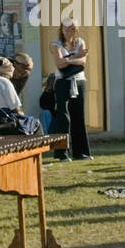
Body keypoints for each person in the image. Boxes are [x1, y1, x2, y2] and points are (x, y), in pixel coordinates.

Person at [50, 19, 92, 160]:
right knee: (63, 117)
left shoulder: (80, 42)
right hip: (63, 81)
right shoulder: (55, 45)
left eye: (72, 29)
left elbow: (83, 62)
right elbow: (59, 64)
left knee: (78, 116)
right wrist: (76, 57)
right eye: (66, 29)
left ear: (76, 29)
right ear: (61, 29)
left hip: (79, 81)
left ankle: (81, 152)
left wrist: (67, 59)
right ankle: (62, 153)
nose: (69, 32)